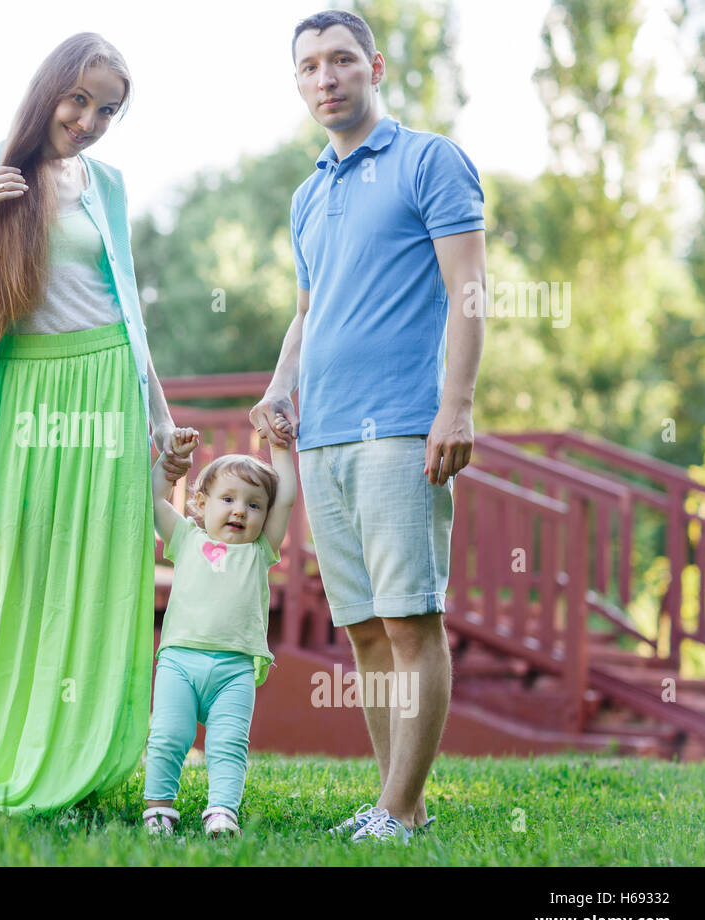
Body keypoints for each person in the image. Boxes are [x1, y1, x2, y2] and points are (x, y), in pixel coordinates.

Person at [0, 32, 188, 814]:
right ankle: (12, 749)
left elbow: (129, 311)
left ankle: (86, 756)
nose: (90, 119)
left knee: (99, 564)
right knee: (15, 566)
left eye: (108, 109)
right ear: (50, 91)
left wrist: (160, 421)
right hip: (19, 393)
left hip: (104, 382)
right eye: (80, 100)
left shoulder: (107, 184)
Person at [249, 9, 486, 843]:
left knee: (410, 619)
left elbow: (470, 291)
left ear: (374, 66)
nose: (327, 78)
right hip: (323, 439)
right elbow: (308, 311)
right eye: (310, 66)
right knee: (362, 632)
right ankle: (402, 808)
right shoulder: (309, 193)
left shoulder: (430, 161)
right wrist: (281, 386)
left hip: (400, 428)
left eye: (342, 60)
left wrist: (454, 407)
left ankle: (395, 810)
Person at [142, 421, 297, 837]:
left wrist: (281, 448)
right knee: (168, 737)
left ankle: (222, 812)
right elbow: (151, 497)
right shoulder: (185, 539)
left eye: (253, 505)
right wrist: (169, 458)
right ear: (201, 503)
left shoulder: (260, 551)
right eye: (228, 499)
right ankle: (158, 810)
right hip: (180, 662)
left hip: (235, 670)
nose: (239, 511)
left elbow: (286, 501)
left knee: (228, 747)